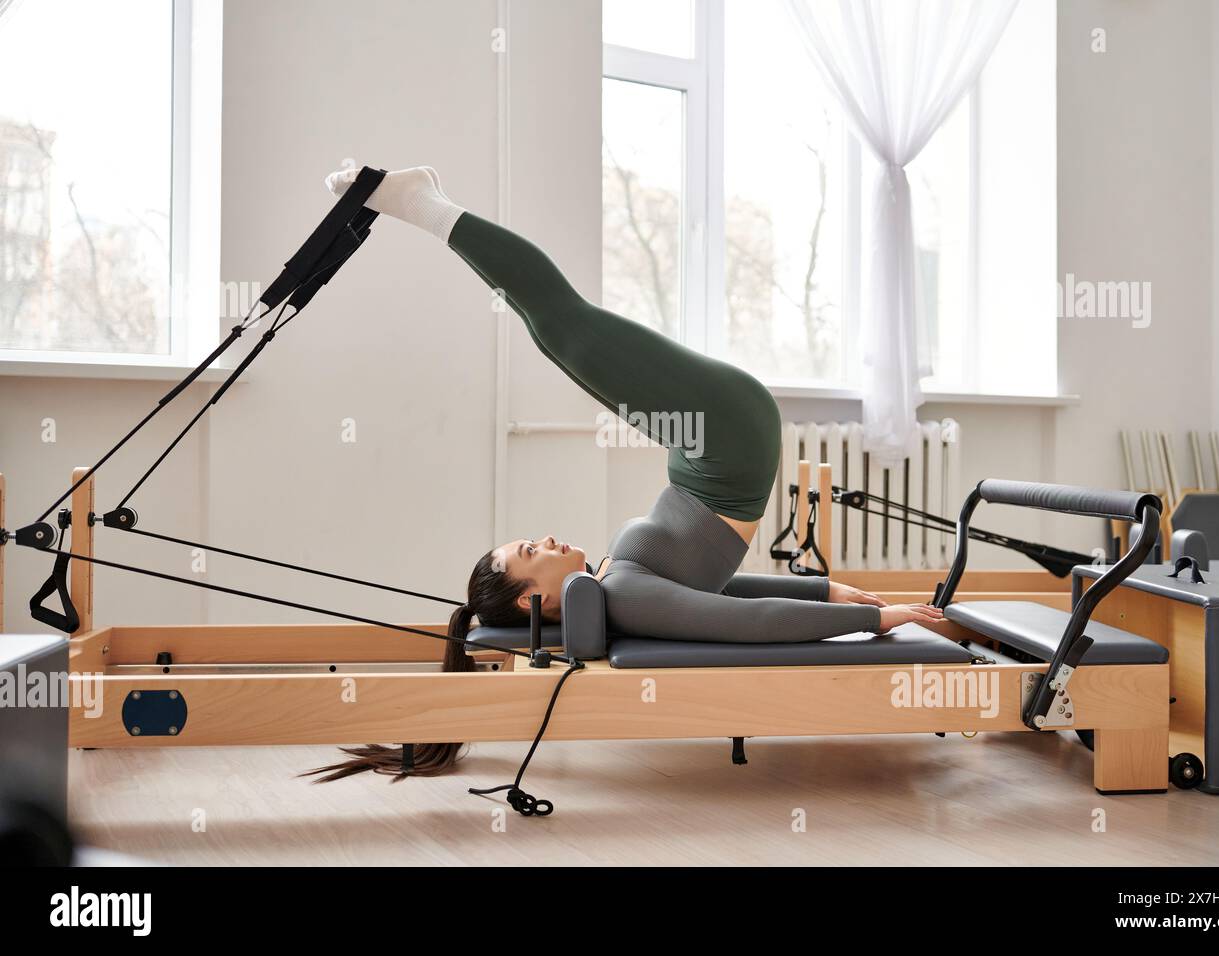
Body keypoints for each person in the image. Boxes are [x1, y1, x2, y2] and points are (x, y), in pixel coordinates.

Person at [306, 165, 942, 782]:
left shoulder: (610, 590)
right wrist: (873, 619)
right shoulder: (624, 598)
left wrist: (829, 592)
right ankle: (423, 203)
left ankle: (429, 202)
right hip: (724, 436)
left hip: (706, 446)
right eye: (531, 551)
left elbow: (721, 597)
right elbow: (751, 623)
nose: (546, 539)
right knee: (563, 323)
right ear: (533, 599)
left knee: (550, 332)